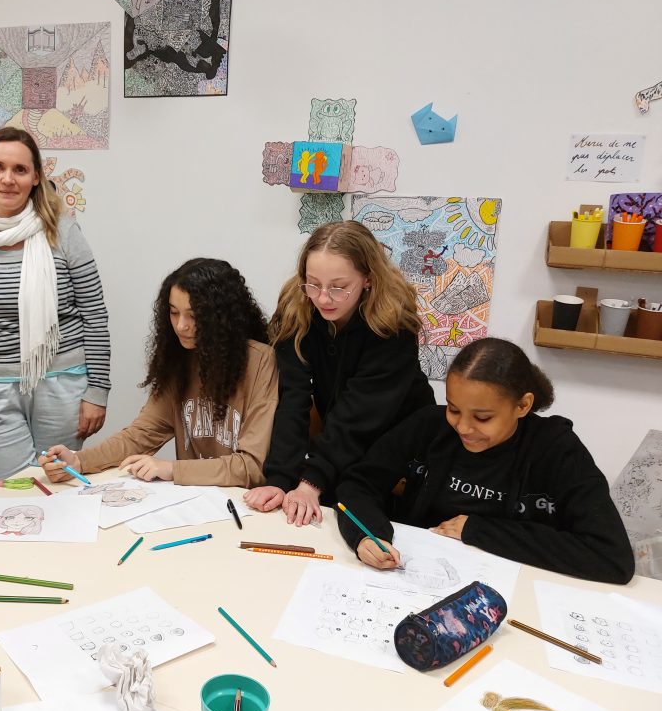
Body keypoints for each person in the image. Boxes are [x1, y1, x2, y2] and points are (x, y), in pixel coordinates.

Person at [336, 337, 635, 585]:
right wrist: (367, 536)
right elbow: (358, 484)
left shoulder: (557, 451)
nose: (464, 427)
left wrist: (479, 531)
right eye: (454, 409)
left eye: (482, 418)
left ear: (522, 405)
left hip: (510, 587)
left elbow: (611, 556)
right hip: (413, 576)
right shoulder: (429, 426)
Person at [0, 127, 110, 490]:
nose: (8, 179)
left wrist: (98, 392)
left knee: (58, 489)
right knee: (8, 494)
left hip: (63, 384)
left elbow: (94, 313)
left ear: (35, 178)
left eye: (20, 170)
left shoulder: (62, 230)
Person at [244, 221, 434, 525]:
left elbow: (359, 413)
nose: (322, 298)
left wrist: (311, 483)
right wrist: (280, 480)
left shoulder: (393, 325)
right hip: (343, 438)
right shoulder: (296, 309)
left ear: (368, 279)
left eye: (338, 287)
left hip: (401, 438)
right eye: (313, 283)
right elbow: (292, 398)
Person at [38, 258, 277, 487]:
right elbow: (140, 436)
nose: (181, 325)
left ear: (222, 319)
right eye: (174, 313)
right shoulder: (179, 361)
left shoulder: (260, 361)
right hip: (196, 504)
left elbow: (252, 466)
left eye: (193, 316)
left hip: (246, 507)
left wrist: (172, 470)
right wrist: (79, 461)